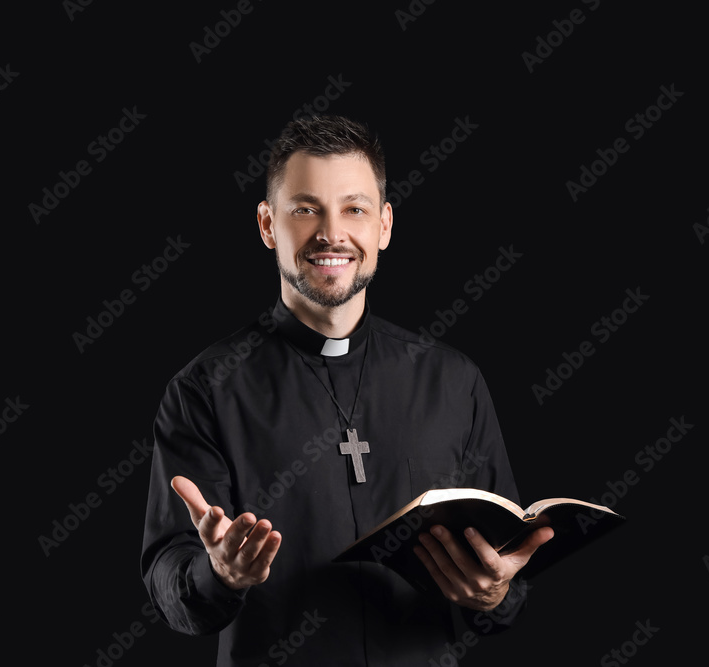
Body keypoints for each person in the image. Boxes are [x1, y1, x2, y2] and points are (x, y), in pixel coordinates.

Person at [140, 115, 553, 666]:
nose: (332, 233)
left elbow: (508, 579)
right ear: (268, 225)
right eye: (306, 208)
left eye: (354, 209)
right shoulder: (203, 390)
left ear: (383, 225)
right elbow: (172, 582)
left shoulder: (454, 381)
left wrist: (496, 593)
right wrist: (219, 574)